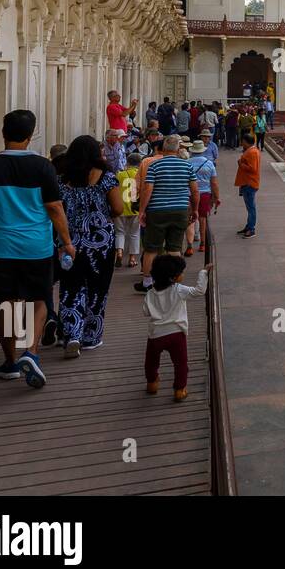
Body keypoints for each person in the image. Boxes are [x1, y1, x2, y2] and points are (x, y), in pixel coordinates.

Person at [0, 109, 74, 388]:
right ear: (30, 136)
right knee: (40, 300)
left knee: (4, 305)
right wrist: (66, 242)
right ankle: (32, 353)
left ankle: (10, 362)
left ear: (3, 134)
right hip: (36, 246)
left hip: (0, 247)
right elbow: (54, 207)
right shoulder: (43, 167)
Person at [55, 135, 123, 358]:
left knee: (71, 287)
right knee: (97, 288)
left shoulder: (62, 181)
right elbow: (118, 208)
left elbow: (56, 210)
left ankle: (71, 333)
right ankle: (91, 337)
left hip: (69, 241)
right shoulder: (106, 178)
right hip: (100, 242)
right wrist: (102, 216)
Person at [136, 134, 198, 293]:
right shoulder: (187, 166)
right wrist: (195, 209)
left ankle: (147, 282)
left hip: (157, 211)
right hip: (180, 210)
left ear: (163, 149)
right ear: (178, 149)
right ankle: (176, 279)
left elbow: (147, 190)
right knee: (175, 247)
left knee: (151, 248)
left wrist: (142, 211)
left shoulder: (155, 166)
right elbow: (195, 191)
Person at [143, 253, 209, 403]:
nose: (183, 274)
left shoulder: (150, 294)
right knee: (181, 364)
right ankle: (179, 390)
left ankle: (152, 383)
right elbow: (199, 291)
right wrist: (203, 272)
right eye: (181, 273)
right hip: (176, 334)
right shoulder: (179, 289)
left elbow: (146, 312)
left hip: (155, 335)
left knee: (151, 362)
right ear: (172, 278)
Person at [186, 140, 219, 256]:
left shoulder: (187, 163)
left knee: (190, 219)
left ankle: (189, 246)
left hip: (189, 194)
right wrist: (216, 197)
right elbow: (214, 183)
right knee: (203, 219)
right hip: (205, 194)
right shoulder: (209, 163)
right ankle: (203, 244)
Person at [116, 151, 143, 272]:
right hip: (135, 208)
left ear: (127, 162)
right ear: (140, 163)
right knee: (134, 233)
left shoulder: (119, 175)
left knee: (120, 232)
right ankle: (132, 258)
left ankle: (120, 252)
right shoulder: (140, 174)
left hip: (121, 208)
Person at [236, 133, 261, 237]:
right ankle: (249, 226)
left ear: (246, 142)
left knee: (251, 208)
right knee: (249, 207)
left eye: (242, 141)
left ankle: (251, 229)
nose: (241, 143)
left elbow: (253, 168)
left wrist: (241, 164)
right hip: (247, 182)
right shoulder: (251, 151)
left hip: (250, 182)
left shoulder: (252, 152)